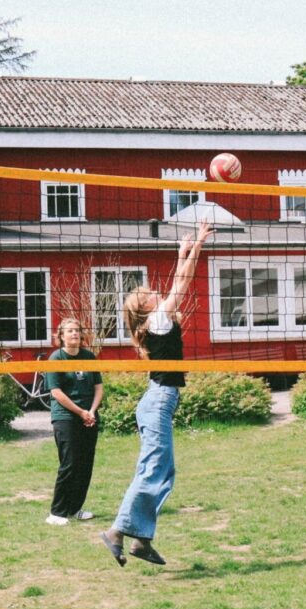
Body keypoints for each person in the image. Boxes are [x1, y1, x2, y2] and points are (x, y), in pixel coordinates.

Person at [101, 221, 213, 567]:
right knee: (154, 470)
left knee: (162, 470)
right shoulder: (159, 320)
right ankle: (117, 532)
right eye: (147, 292)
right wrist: (194, 250)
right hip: (158, 399)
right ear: (145, 307)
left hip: (159, 399)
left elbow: (179, 281)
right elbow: (183, 283)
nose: (153, 290)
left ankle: (142, 541)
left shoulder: (157, 320)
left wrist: (182, 254)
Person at [44, 317, 103, 526]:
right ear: (61, 336)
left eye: (77, 330)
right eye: (70, 331)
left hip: (89, 416)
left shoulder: (88, 356)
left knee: (85, 465)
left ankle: (75, 508)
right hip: (66, 417)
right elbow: (56, 392)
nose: (75, 334)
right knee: (69, 464)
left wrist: (92, 411)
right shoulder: (55, 358)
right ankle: (56, 512)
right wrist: (80, 412)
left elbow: (98, 387)